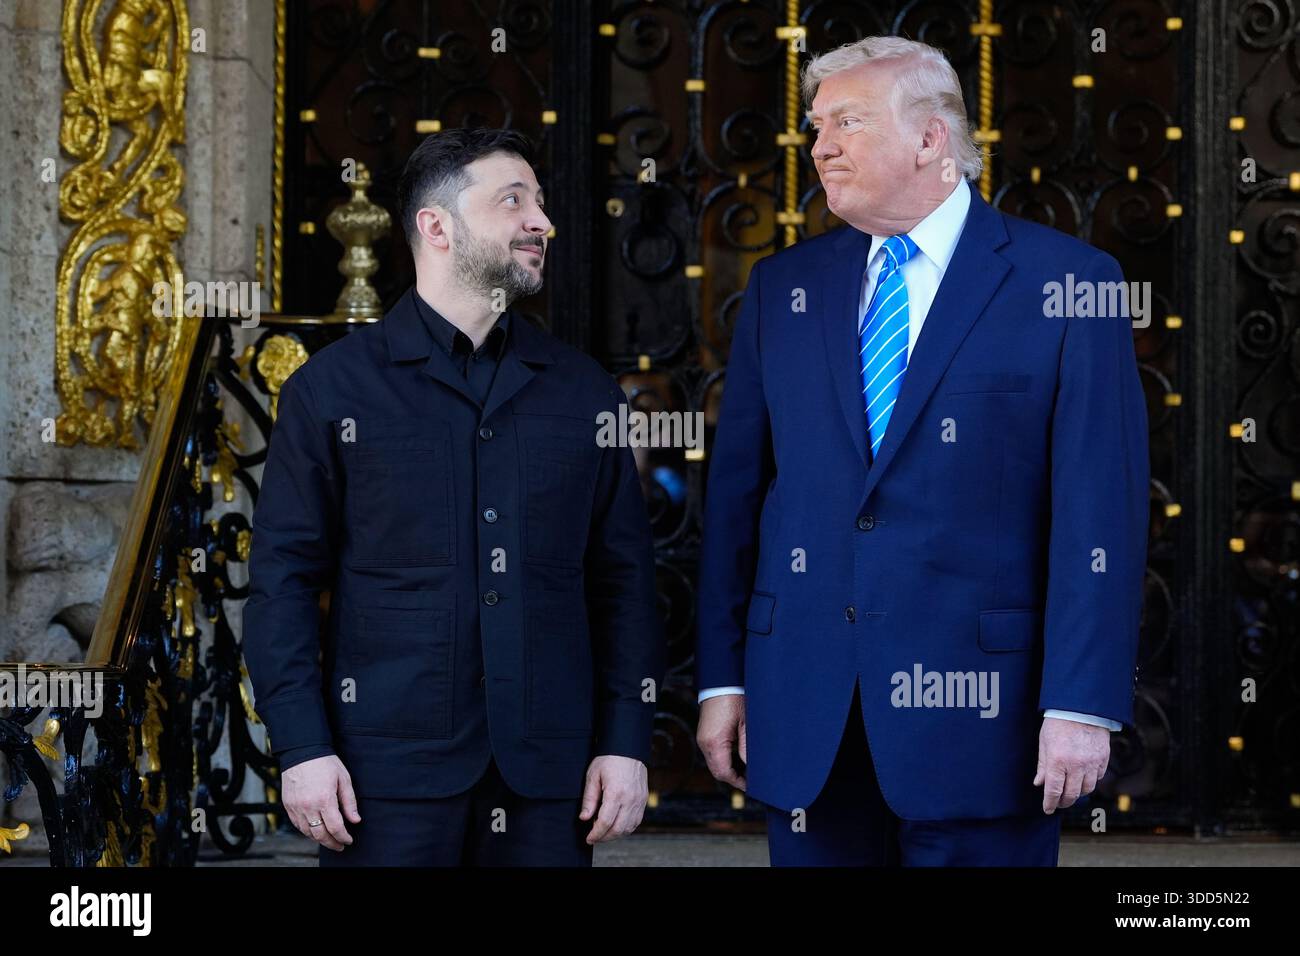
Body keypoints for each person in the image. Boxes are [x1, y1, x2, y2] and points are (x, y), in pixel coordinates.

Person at [696, 36, 1149, 866]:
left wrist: (1081, 704)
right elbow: (738, 503)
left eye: (847, 122)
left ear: (931, 139)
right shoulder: (782, 289)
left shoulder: (1070, 282)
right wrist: (722, 680)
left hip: (991, 730)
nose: (819, 144)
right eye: (815, 124)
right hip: (807, 720)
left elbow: (1100, 515)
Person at [243, 127, 664, 866]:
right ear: (436, 227)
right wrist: (302, 745)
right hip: (382, 781)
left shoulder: (583, 390)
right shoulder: (330, 390)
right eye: (513, 200)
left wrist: (626, 741)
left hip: (548, 781)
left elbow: (624, 580)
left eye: (538, 200)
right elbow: (283, 581)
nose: (542, 220)